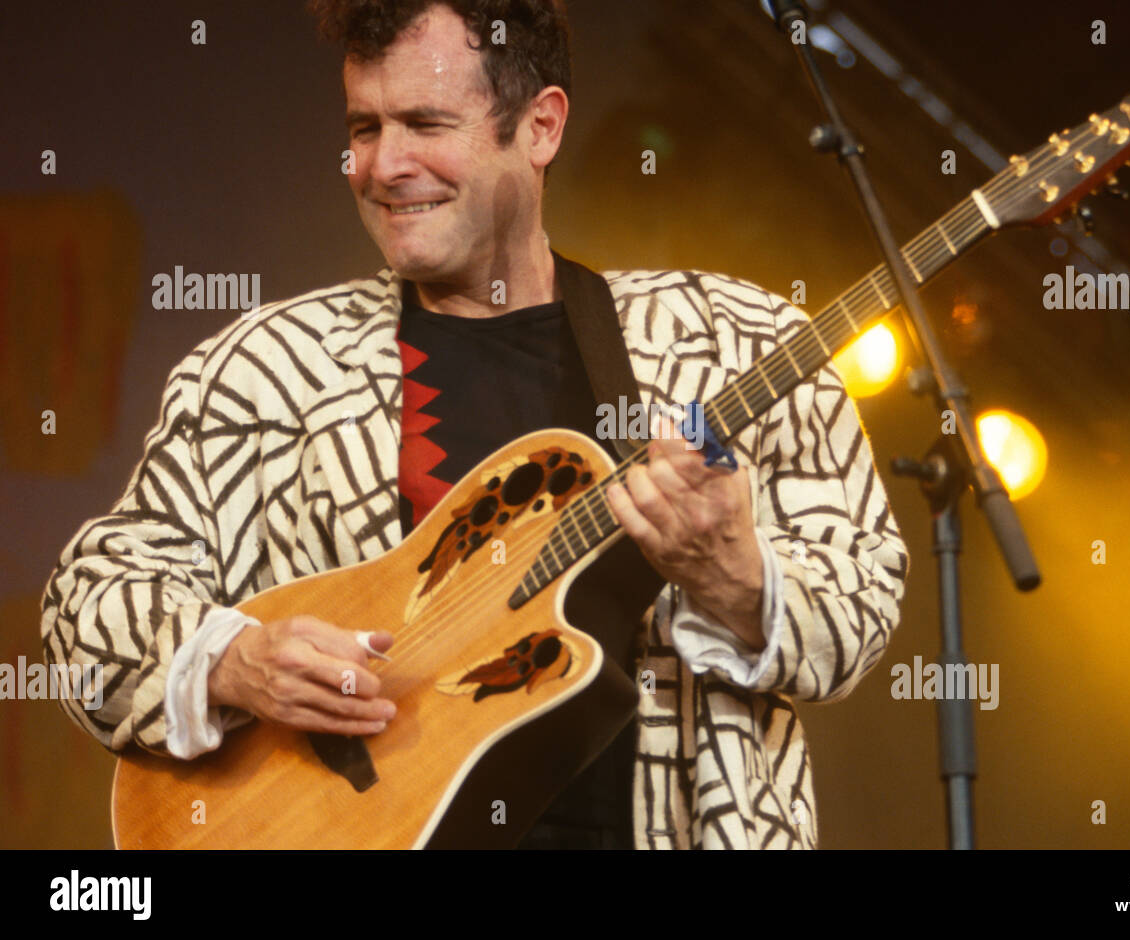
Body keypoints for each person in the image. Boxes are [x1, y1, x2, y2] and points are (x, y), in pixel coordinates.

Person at [40, 0, 908, 849]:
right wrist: (233, 663)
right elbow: (86, 607)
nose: (384, 165)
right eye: (364, 129)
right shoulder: (263, 372)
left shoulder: (732, 343)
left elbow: (862, 603)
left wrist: (739, 580)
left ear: (540, 127)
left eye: (425, 122)